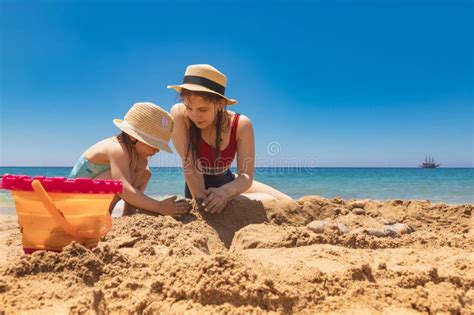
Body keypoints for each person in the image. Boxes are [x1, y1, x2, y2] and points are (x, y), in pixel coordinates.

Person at [168, 64, 292, 214]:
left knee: (289, 202)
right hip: (199, 189)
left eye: (203, 109)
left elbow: (245, 176)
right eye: (189, 107)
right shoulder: (180, 115)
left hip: (229, 184)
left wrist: (225, 192)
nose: (195, 115)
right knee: (269, 201)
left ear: (220, 104)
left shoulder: (241, 124)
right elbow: (191, 165)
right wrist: (201, 203)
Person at [69, 102, 191, 216]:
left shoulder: (138, 158)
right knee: (117, 181)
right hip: (74, 200)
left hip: (89, 197)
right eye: (153, 145)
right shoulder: (117, 149)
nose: (157, 150)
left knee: (145, 172)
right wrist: (159, 206)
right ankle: (104, 214)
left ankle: (128, 213)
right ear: (133, 137)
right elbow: (124, 189)